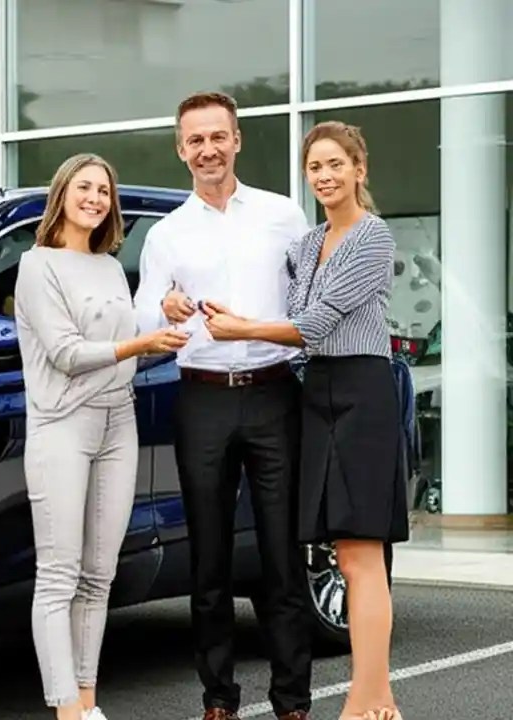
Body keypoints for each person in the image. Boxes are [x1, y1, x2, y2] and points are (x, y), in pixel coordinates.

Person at [202, 120, 408, 720]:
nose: (324, 176)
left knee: (363, 552)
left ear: (359, 169)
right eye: (315, 168)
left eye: (335, 165)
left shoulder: (372, 237)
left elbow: (311, 324)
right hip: (316, 392)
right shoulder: (305, 242)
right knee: (344, 555)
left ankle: (367, 698)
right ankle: (381, 699)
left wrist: (242, 329)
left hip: (362, 390)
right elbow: (297, 314)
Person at [132, 92, 314, 720]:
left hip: (272, 393)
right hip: (202, 398)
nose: (207, 149)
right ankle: (219, 699)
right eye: (195, 140)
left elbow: (310, 302)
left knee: (281, 554)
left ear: (237, 140)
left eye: (218, 136)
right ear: (181, 150)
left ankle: (292, 700)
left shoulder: (283, 215)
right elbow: (142, 313)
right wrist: (168, 309)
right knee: (207, 558)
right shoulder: (165, 234)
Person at [15, 153, 189, 720]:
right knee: (59, 575)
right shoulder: (37, 266)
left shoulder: (112, 268)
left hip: (120, 419)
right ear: (62, 194)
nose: (95, 198)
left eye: (104, 191)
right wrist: (142, 345)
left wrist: (160, 319)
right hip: (64, 424)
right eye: (85, 187)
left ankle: (88, 703)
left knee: (99, 574)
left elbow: (128, 343)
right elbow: (65, 354)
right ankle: (65, 709)